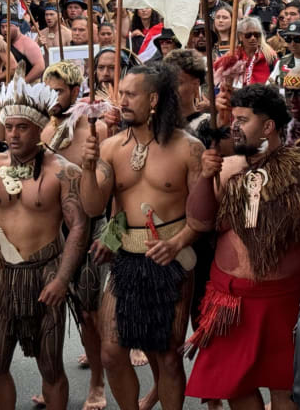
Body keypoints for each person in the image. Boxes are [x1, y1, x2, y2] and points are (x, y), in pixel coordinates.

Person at [184, 84, 300, 410]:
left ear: (268, 126)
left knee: (285, 388)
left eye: (243, 119)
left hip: (283, 301)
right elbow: (198, 223)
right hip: (228, 302)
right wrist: (203, 176)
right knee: (234, 387)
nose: (233, 127)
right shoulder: (225, 170)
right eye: (232, 119)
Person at [0, 76, 88, 410]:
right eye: (8, 127)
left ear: (39, 129)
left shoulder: (61, 172)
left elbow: (78, 227)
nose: (13, 134)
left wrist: (62, 280)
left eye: (22, 127)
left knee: (51, 367)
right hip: (5, 276)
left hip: (46, 273)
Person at [80, 64, 210, 410]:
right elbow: (95, 207)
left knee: (167, 357)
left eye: (129, 94)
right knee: (111, 352)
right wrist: (89, 169)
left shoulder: (189, 148)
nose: (121, 100)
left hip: (173, 262)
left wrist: (177, 242)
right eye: (121, 93)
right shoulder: (109, 147)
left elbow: (204, 216)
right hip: (126, 261)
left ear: (153, 99)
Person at [40, 61, 110, 410]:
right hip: (55, 229)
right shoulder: (41, 127)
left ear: (74, 90)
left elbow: (111, 186)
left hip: (92, 226)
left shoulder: (95, 125)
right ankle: (50, 381)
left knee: (89, 313)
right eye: (48, 89)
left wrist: (109, 233)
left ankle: (98, 383)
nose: (53, 97)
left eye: (59, 90)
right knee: (47, 312)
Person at [212, 17, 277, 89]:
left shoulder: (270, 57)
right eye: (248, 35)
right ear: (240, 36)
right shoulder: (231, 57)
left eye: (256, 35)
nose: (253, 38)